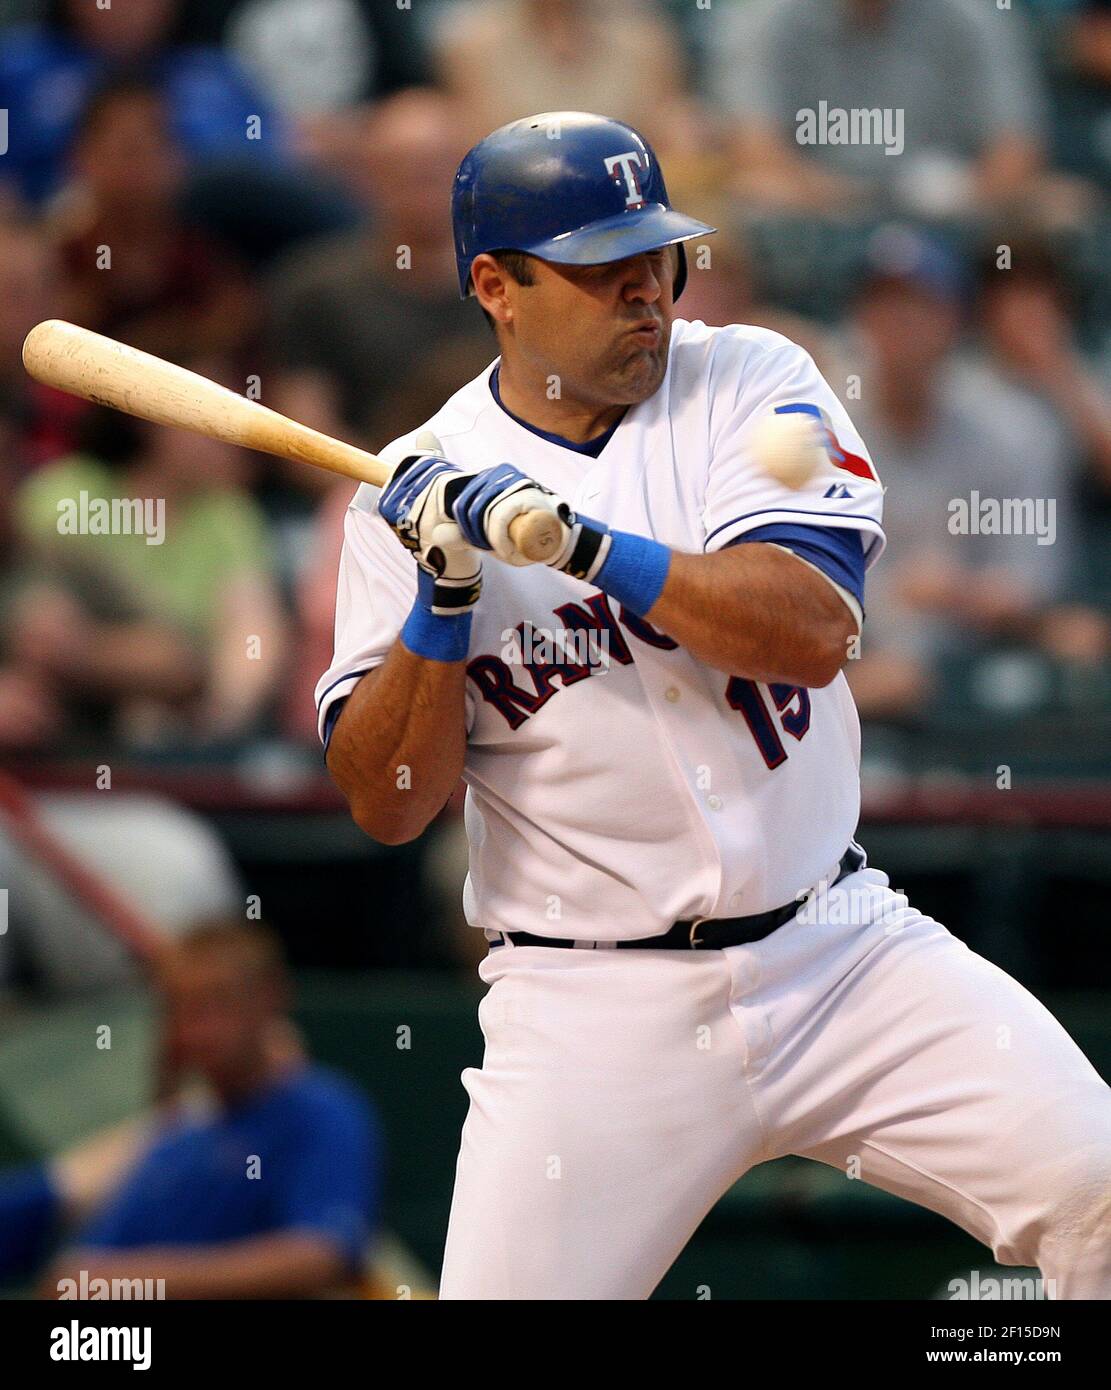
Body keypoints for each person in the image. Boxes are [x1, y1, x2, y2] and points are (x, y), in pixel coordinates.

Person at [317, 112, 1111, 1300]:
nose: (647, 294)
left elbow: (808, 630)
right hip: (591, 1011)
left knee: (1098, 1188)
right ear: (496, 286)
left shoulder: (755, 378)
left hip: (838, 954)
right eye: (603, 271)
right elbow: (387, 803)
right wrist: (444, 594)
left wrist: (581, 544)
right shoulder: (410, 493)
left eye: (658, 258)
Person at [24, 922, 382, 1299]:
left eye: (217, 1003)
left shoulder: (323, 1110)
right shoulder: (175, 1142)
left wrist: (145, 1282)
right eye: (183, 1008)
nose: (200, 1030)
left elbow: (321, 1255)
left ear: (269, 997)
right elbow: (73, 1280)